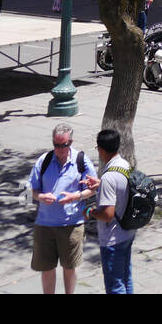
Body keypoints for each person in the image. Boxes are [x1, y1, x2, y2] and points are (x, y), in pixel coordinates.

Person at [29, 122, 99, 295]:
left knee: (69, 268)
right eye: (56, 145)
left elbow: (94, 188)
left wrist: (76, 196)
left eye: (64, 145)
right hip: (45, 224)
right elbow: (32, 188)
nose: (59, 149)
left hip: (71, 224)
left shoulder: (81, 161)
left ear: (71, 142)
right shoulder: (44, 160)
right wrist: (40, 197)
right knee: (47, 268)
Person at [85, 128, 136, 295]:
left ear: (100, 149)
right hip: (128, 232)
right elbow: (121, 188)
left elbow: (107, 215)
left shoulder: (108, 177)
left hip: (113, 239)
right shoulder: (124, 165)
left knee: (115, 286)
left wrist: (89, 211)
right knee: (126, 278)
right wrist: (100, 185)